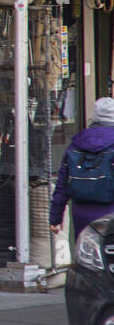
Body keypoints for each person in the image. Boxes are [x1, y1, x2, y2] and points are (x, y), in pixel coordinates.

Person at [51, 96, 114, 237]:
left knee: (85, 254)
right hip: (111, 211)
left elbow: (62, 184)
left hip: (81, 213)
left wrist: (55, 217)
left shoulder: (76, 144)